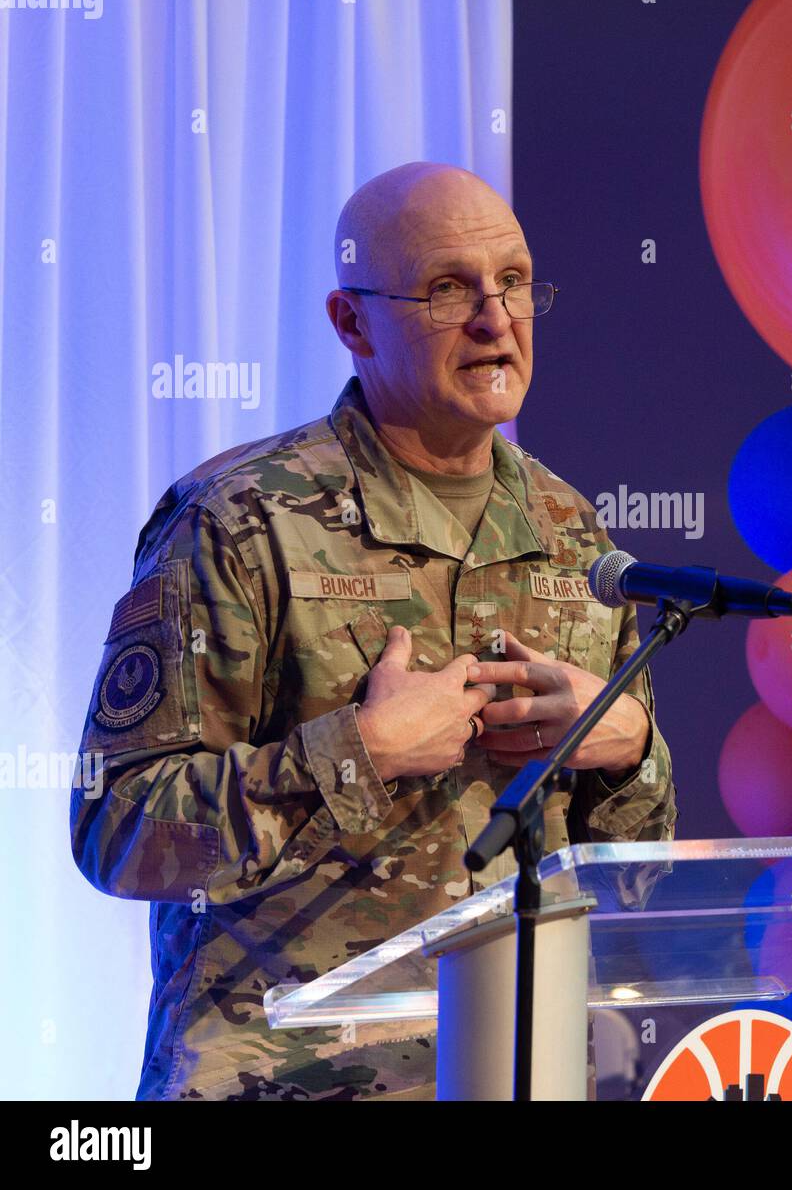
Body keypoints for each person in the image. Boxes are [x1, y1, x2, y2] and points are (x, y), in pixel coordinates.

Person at [71, 162, 676, 1100]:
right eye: (447, 289)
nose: (495, 318)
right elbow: (116, 826)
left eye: (514, 282)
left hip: (513, 1072)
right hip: (284, 1080)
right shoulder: (240, 519)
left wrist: (628, 752)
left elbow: (628, 883)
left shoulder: (572, 529)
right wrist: (355, 751)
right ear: (351, 323)